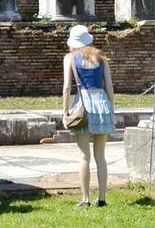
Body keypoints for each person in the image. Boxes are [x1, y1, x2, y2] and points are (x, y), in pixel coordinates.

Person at [62, 24, 116, 208]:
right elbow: (109, 86)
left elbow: (67, 87)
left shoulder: (70, 58)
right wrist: (112, 108)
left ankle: (85, 199)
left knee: (84, 156)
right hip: (102, 104)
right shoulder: (101, 57)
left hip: (83, 105)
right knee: (100, 156)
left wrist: (65, 111)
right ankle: (102, 199)